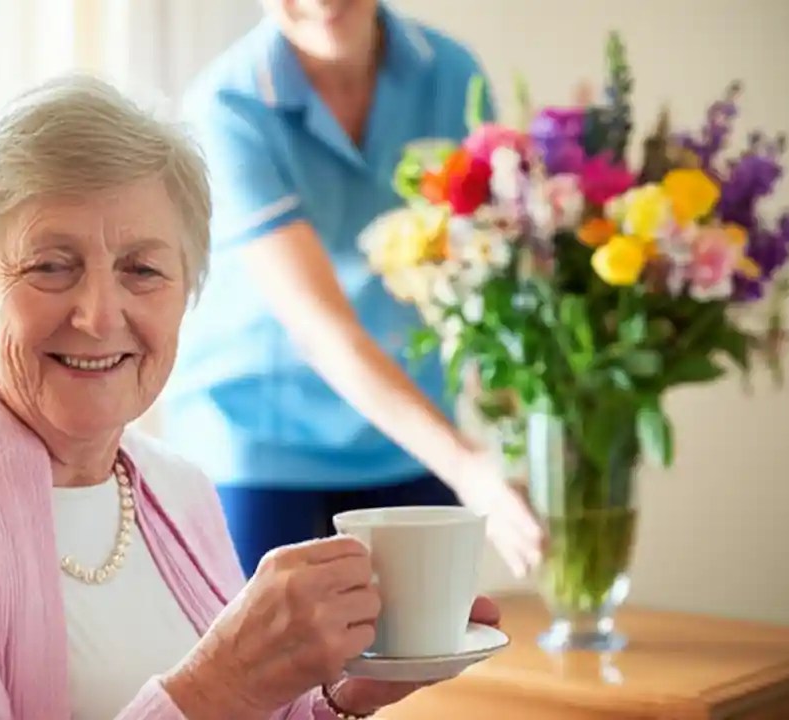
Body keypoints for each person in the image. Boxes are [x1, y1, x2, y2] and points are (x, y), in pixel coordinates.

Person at [0, 74, 500, 720]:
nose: (100, 315)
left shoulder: (177, 491)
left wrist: (335, 699)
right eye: (51, 266)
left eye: (143, 270)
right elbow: (211, 700)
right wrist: (225, 683)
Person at [159, 0, 543, 578]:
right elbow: (322, 330)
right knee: (270, 662)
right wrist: (467, 466)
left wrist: (524, 426)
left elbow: (486, 269)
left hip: (408, 429)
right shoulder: (226, 107)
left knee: (420, 653)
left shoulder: (452, 75)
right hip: (260, 439)